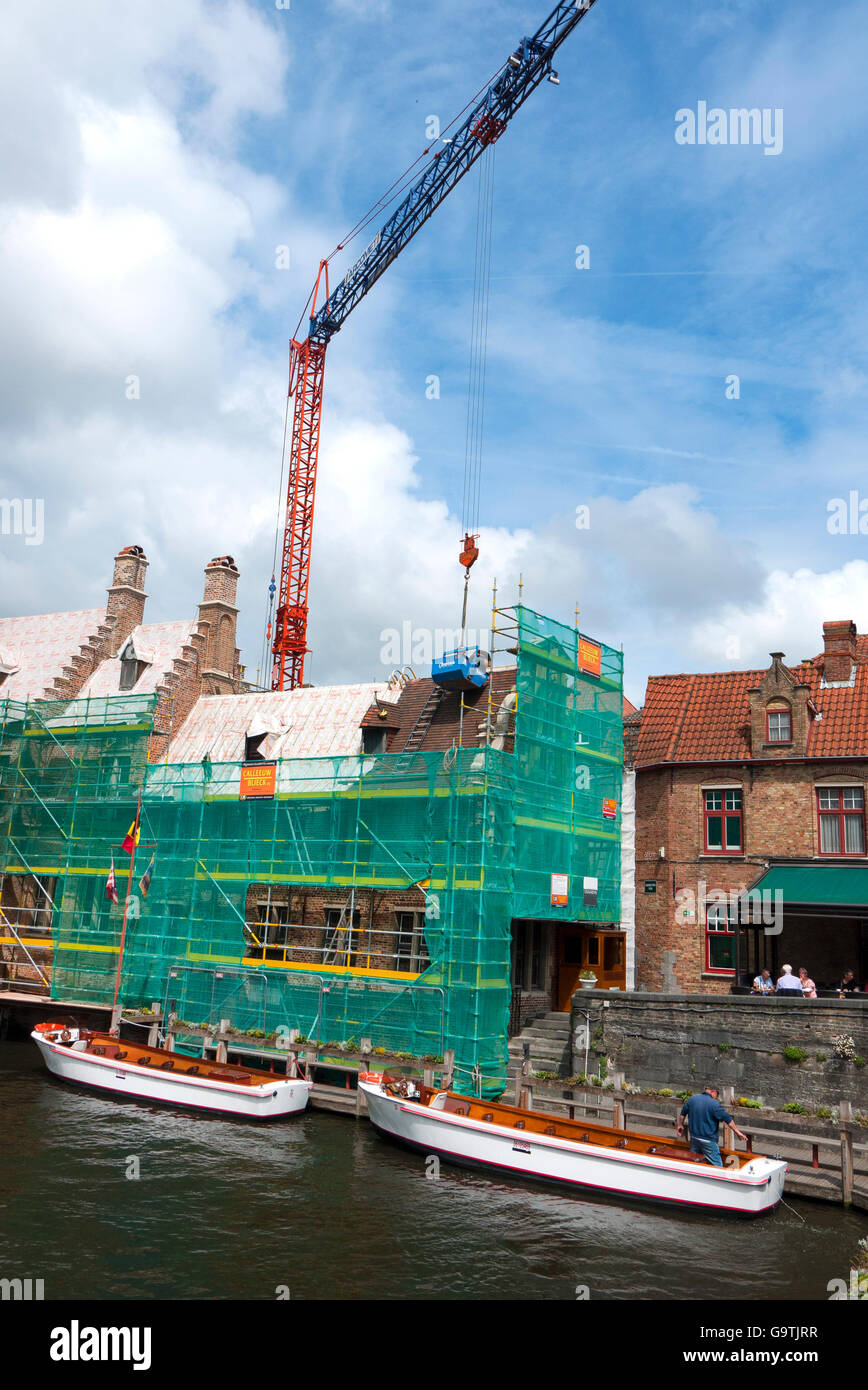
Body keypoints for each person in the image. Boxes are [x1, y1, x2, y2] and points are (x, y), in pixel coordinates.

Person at [677, 1085, 748, 1166]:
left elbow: (682, 1114)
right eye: (716, 1095)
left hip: (694, 1138)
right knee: (717, 1166)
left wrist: (680, 1125)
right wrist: (738, 1132)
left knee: (695, 1163)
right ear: (712, 1091)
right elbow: (728, 1119)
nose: (716, 1098)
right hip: (708, 1140)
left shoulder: (693, 1099)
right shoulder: (714, 1104)